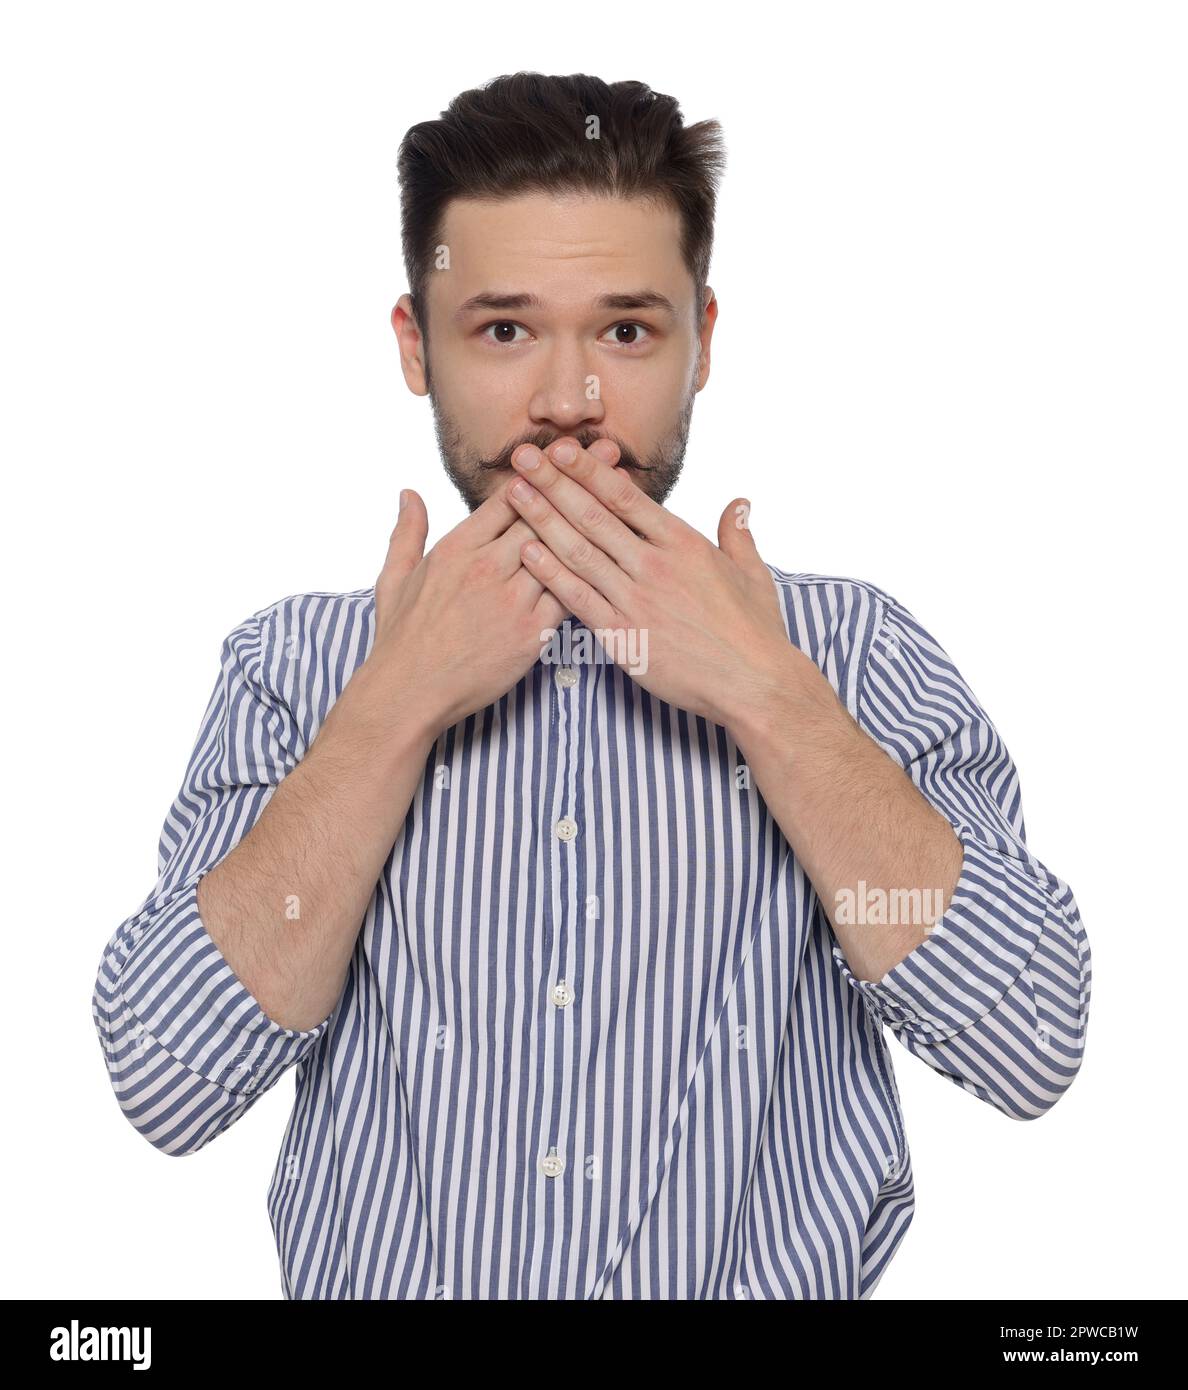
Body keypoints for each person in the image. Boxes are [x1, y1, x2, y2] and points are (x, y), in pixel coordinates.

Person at [92, 71, 1091, 1300]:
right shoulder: (297, 672)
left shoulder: (847, 655)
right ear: (416, 345)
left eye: (626, 330)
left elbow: (1032, 1040)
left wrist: (767, 699)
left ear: (703, 341)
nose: (568, 403)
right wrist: (392, 706)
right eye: (503, 330)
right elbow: (164, 1081)